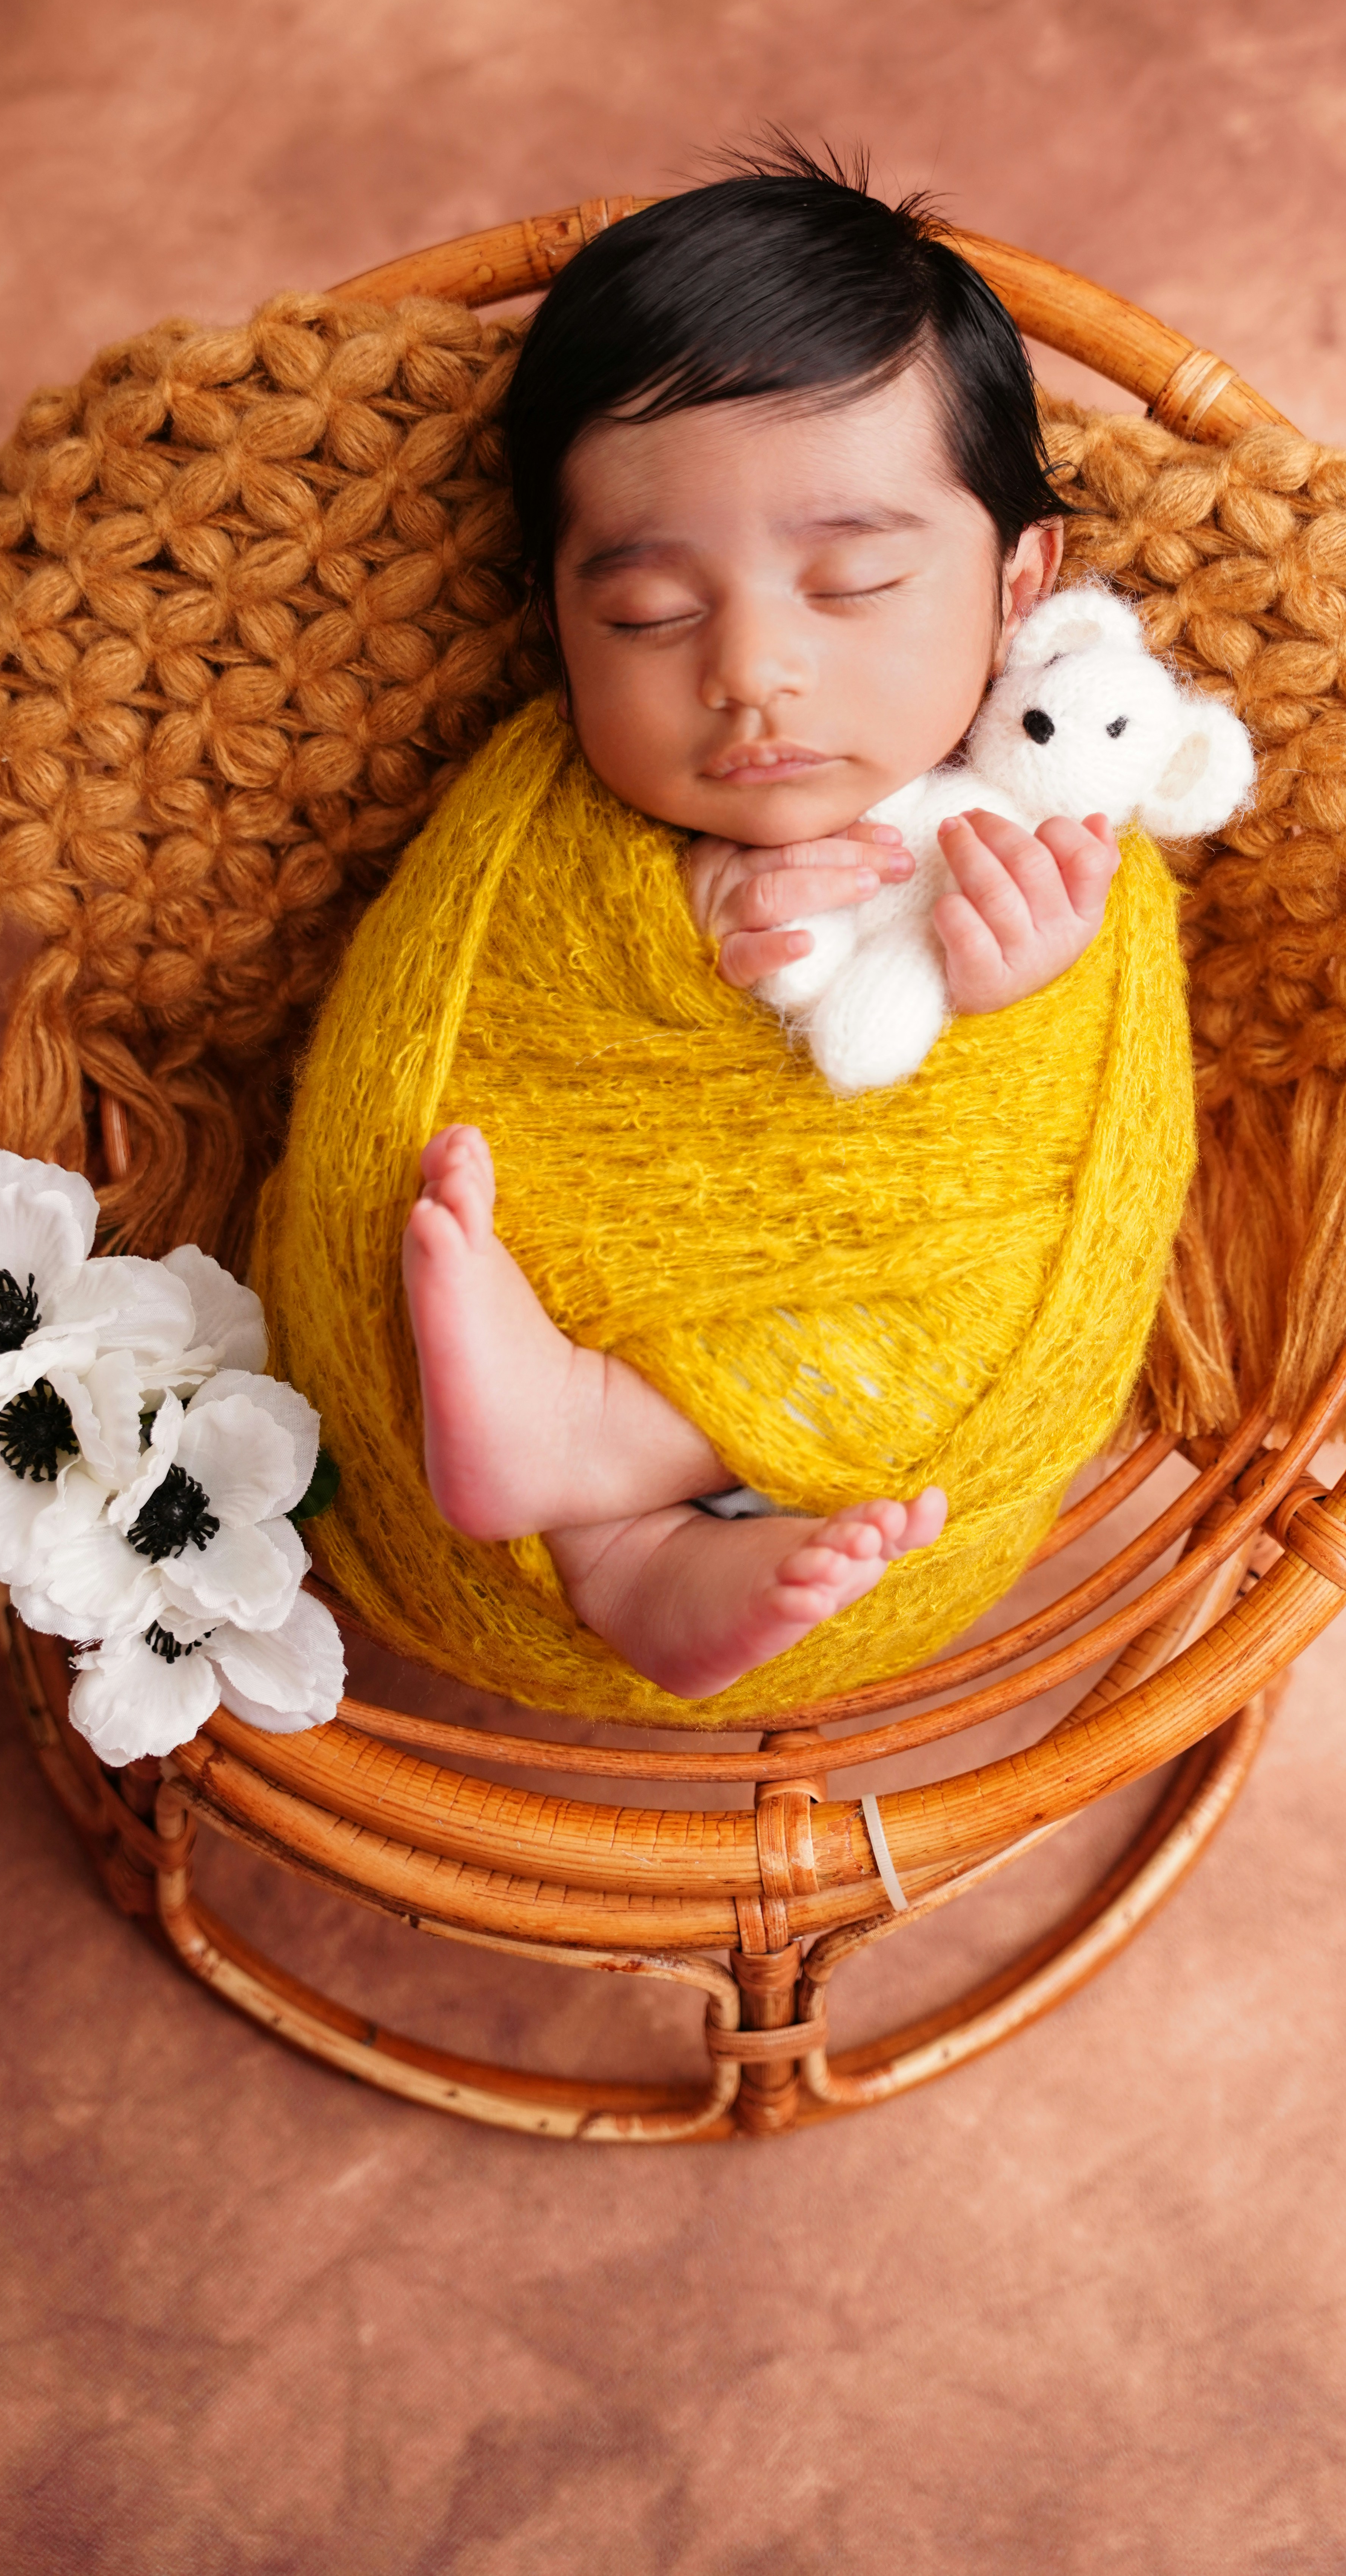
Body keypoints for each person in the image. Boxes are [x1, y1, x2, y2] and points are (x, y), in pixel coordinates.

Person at [402, 149, 1122, 1698]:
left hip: (871, 1351)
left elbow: (1085, 1126)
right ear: (555, 618)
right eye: (651, 614)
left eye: (852, 581)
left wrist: (1022, 976)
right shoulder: (551, 803)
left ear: (1020, 584)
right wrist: (660, 914)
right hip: (539, 1304)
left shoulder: (1054, 781)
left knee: (967, 1320)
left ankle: (619, 1476)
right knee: (442, 1197)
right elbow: (461, 988)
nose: (750, 671)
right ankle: (623, 1548)